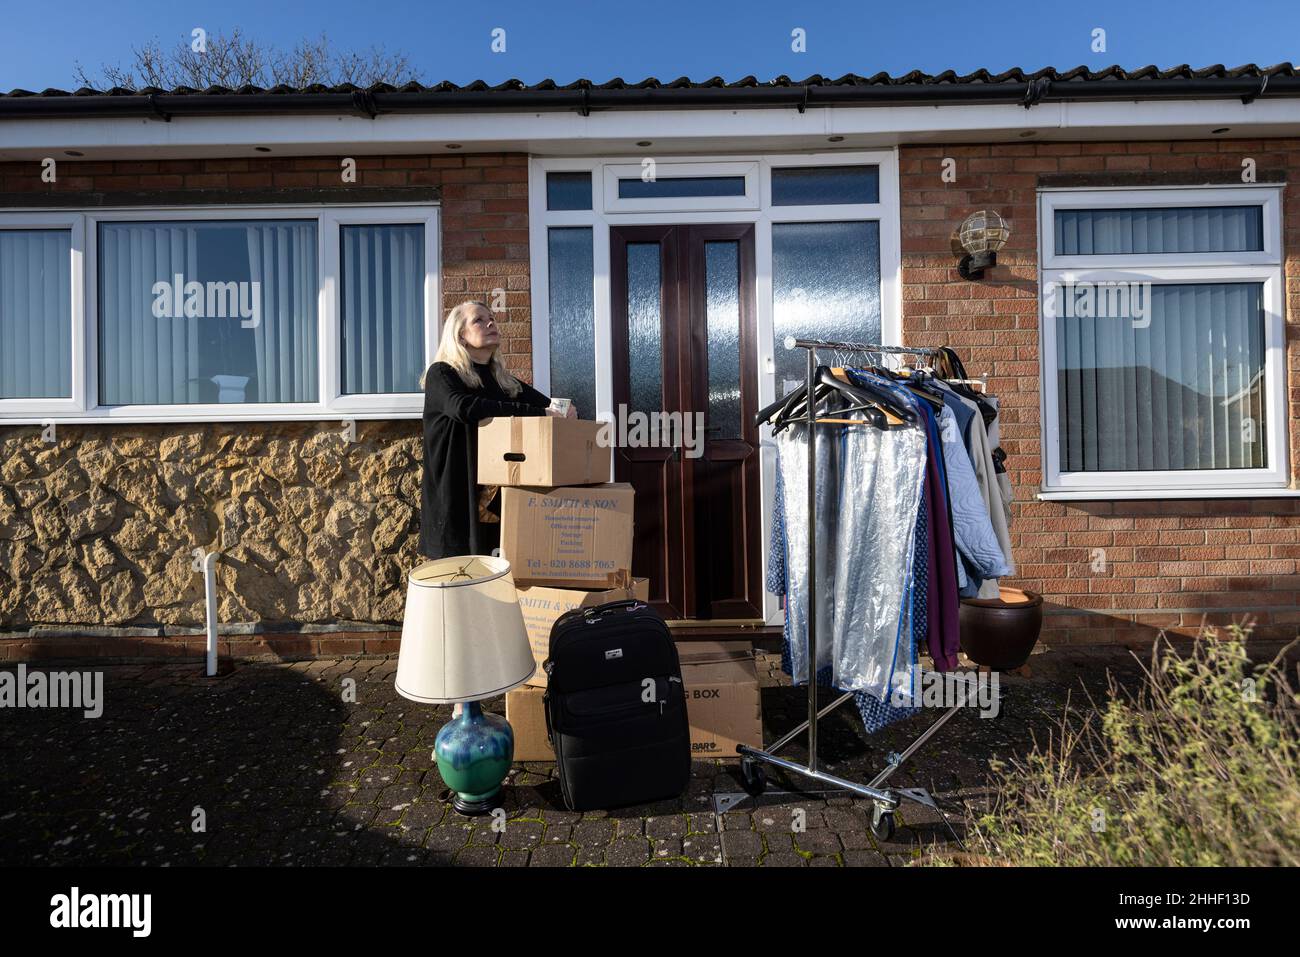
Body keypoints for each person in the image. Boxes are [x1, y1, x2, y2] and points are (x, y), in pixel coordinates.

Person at [419, 300, 575, 561]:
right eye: (478, 320)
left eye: (492, 318)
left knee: (494, 590)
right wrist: (540, 413)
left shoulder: (502, 380)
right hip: (456, 506)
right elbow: (463, 407)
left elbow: (547, 405)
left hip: (494, 506)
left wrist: (565, 410)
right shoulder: (442, 374)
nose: (490, 322)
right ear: (460, 335)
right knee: (460, 592)